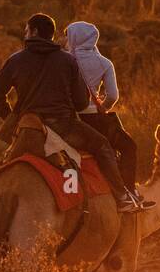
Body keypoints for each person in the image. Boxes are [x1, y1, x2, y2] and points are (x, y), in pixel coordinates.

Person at [0, 13, 147, 213]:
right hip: (63, 126)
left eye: (26, 30)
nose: (25, 34)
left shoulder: (15, 60)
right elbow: (81, 103)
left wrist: (16, 120)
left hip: (29, 127)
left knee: (2, 164)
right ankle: (123, 197)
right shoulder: (67, 61)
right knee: (103, 146)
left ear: (35, 32)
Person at [63, 20, 151, 207]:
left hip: (67, 118)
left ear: (74, 37)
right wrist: (102, 105)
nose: (64, 39)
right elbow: (113, 95)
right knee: (128, 148)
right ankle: (128, 191)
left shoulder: (64, 60)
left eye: (67, 35)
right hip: (93, 118)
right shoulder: (104, 63)